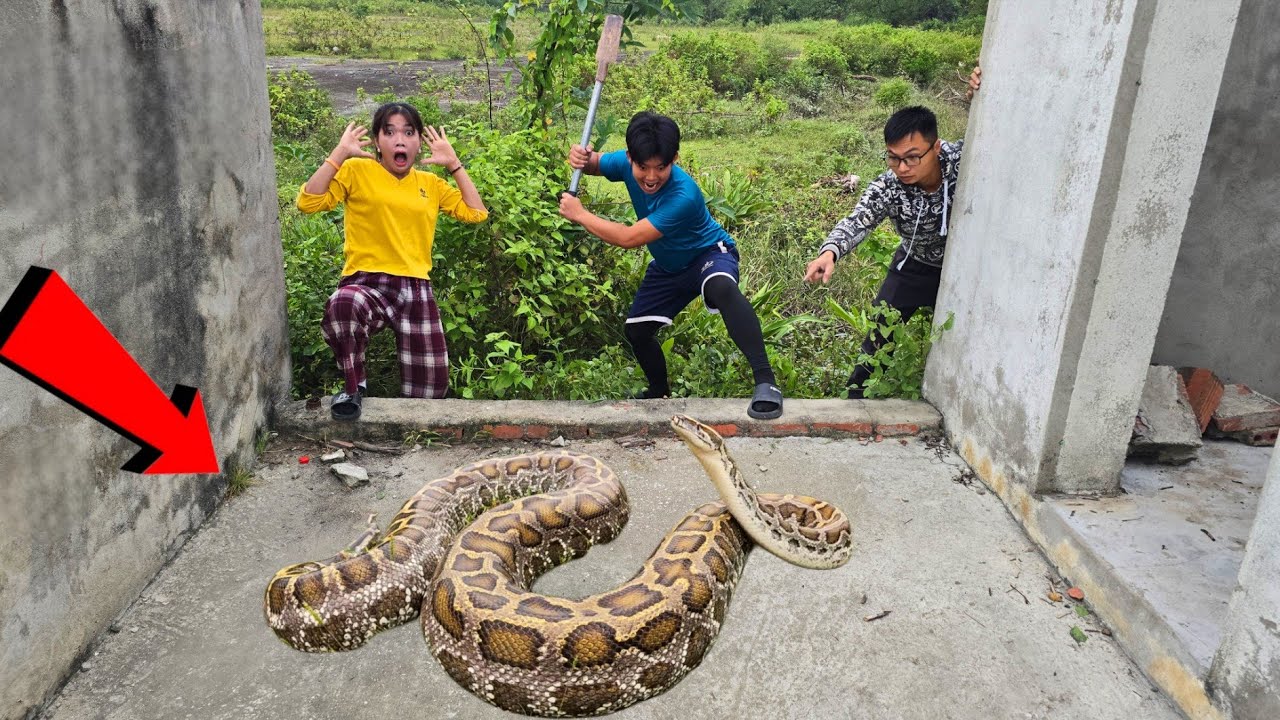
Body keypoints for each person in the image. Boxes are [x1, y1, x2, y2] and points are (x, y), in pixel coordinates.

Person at [558, 111, 783, 420]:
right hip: (667, 266)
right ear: (630, 158)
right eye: (643, 167)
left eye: (661, 167)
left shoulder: (684, 194)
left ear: (674, 158)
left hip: (708, 254)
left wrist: (580, 214)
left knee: (721, 287)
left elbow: (628, 238)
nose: (651, 177)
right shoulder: (625, 163)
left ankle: (766, 383)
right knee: (637, 332)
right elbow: (596, 163)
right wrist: (582, 157)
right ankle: (659, 393)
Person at [297, 102, 488, 420]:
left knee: (430, 389)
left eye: (409, 132)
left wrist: (454, 164)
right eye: (389, 132)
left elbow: (476, 212)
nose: (400, 140)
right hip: (366, 281)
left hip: (416, 287)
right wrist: (339, 154)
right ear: (375, 141)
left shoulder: (431, 184)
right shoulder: (357, 171)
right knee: (344, 305)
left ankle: (412, 436)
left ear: (418, 142)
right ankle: (354, 387)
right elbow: (309, 201)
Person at [803, 69, 981, 398]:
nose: (902, 167)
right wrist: (829, 252)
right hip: (915, 266)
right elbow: (859, 219)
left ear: (936, 148)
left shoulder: (962, 161)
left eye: (913, 157)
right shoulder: (890, 185)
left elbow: (988, 133)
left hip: (967, 269)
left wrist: (976, 98)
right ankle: (855, 403)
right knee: (877, 340)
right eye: (894, 158)